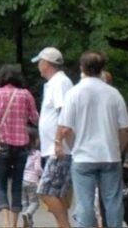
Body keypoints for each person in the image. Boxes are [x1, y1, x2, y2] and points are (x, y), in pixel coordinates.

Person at [58, 51, 128, 228]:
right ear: (102, 68)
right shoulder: (114, 94)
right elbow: (124, 129)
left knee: (85, 204)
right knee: (113, 202)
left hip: (83, 156)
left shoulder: (74, 93)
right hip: (110, 155)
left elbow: (65, 128)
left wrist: (74, 146)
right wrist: (118, 149)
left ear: (82, 67)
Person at [0, 64, 39, 228]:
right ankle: (14, 223)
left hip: (3, 144)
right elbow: (35, 118)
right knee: (17, 185)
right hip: (22, 145)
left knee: (1, 184)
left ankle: (6, 224)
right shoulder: (26, 94)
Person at [34, 47, 75, 228]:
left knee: (46, 190)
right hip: (53, 147)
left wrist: (58, 142)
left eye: (39, 63)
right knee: (56, 192)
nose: (38, 66)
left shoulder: (60, 83)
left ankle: (64, 225)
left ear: (46, 64)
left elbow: (64, 114)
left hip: (58, 148)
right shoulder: (54, 83)